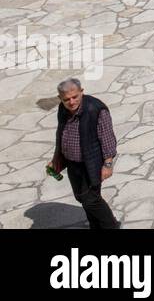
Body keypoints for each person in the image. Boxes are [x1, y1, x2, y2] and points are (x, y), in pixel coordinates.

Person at [48, 78, 119, 229]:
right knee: (81, 197)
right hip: (72, 162)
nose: (71, 102)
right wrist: (56, 158)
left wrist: (107, 164)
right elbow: (60, 134)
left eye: (75, 97)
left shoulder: (96, 109)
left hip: (91, 163)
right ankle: (95, 225)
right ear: (60, 99)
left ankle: (111, 226)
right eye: (67, 99)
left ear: (82, 92)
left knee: (91, 199)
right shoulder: (63, 109)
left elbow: (107, 139)